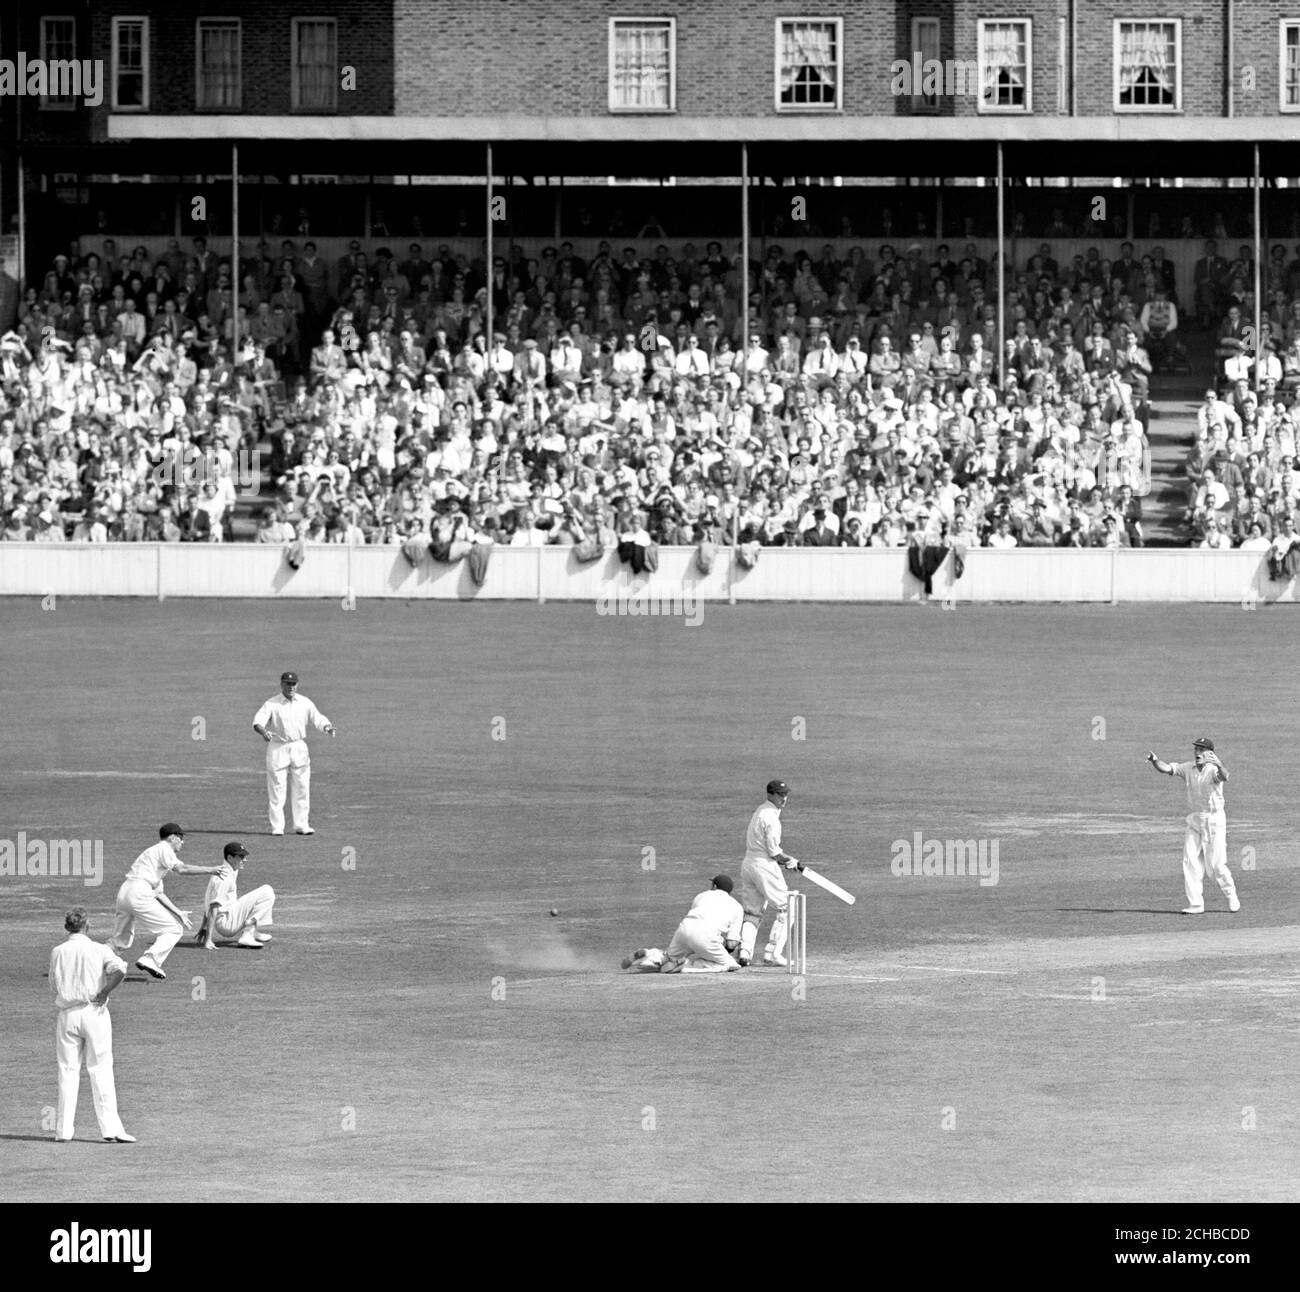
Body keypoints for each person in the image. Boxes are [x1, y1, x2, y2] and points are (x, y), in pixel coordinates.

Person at [49, 907, 134, 1142]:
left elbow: (54, 985)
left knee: (67, 1071)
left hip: (67, 1014)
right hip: (94, 1012)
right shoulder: (99, 949)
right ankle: (111, 1130)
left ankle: (63, 1132)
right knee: (100, 1068)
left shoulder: (58, 951)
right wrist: (104, 992)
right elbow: (120, 970)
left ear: (68, 927)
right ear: (87, 926)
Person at [110, 823, 224, 980]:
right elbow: (181, 869)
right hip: (139, 892)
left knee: (120, 941)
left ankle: (93, 963)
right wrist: (210, 869)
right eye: (181, 838)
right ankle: (150, 959)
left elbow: (159, 894)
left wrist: (178, 912)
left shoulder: (152, 855)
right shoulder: (164, 849)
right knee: (174, 930)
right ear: (172, 838)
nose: (182, 842)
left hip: (125, 892)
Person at [1146, 737, 1241, 915]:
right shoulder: (1187, 768)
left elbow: (1225, 776)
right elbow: (1167, 769)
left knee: (1216, 866)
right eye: (1196, 750)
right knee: (1189, 860)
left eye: (1201, 750)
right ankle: (1196, 904)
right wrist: (1155, 761)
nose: (1197, 753)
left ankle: (1231, 894)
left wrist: (1219, 763)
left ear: (1210, 753)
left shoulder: (1213, 770)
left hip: (1214, 820)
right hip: (1194, 819)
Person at [252, 671, 336, 835]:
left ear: (297, 685)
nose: (291, 687)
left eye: (293, 684)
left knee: (302, 786)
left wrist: (327, 727)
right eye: (288, 684)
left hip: (298, 747)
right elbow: (257, 722)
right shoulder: (272, 703)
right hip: (278, 747)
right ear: (282, 684)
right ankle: (277, 827)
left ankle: (301, 825)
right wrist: (264, 732)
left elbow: (317, 718)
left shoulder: (305, 702)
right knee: (277, 788)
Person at [737, 779, 804, 967]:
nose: (784, 798)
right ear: (770, 795)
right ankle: (772, 953)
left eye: (785, 795)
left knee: (752, 912)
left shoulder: (760, 811)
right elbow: (774, 853)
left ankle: (745, 952)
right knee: (787, 906)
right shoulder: (771, 817)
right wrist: (791, 861)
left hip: (748, 864)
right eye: (780, 795)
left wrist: (787, 861)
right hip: (763, 865)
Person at [620, 874, 744, 974]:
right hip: (706, 935)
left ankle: (647, 955)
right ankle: (685, 965)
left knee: (668, 957)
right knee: (731, 964)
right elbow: (732, 943)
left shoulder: (701, 896)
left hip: (685, 928)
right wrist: (722, 948)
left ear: (714, 886)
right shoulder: (737, 907)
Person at [196, 842, 275, 950]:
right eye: (241, 857)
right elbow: (213, 906)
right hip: (226, 922)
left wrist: (204, 927)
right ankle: (247, 935)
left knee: (259, 896)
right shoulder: (223, 876)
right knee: (267, 891)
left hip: (229, 915)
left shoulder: (231, 869)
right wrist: (208, 939)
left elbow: (209, 898)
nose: (245, 860)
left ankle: (252, 930)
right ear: (230, 858)